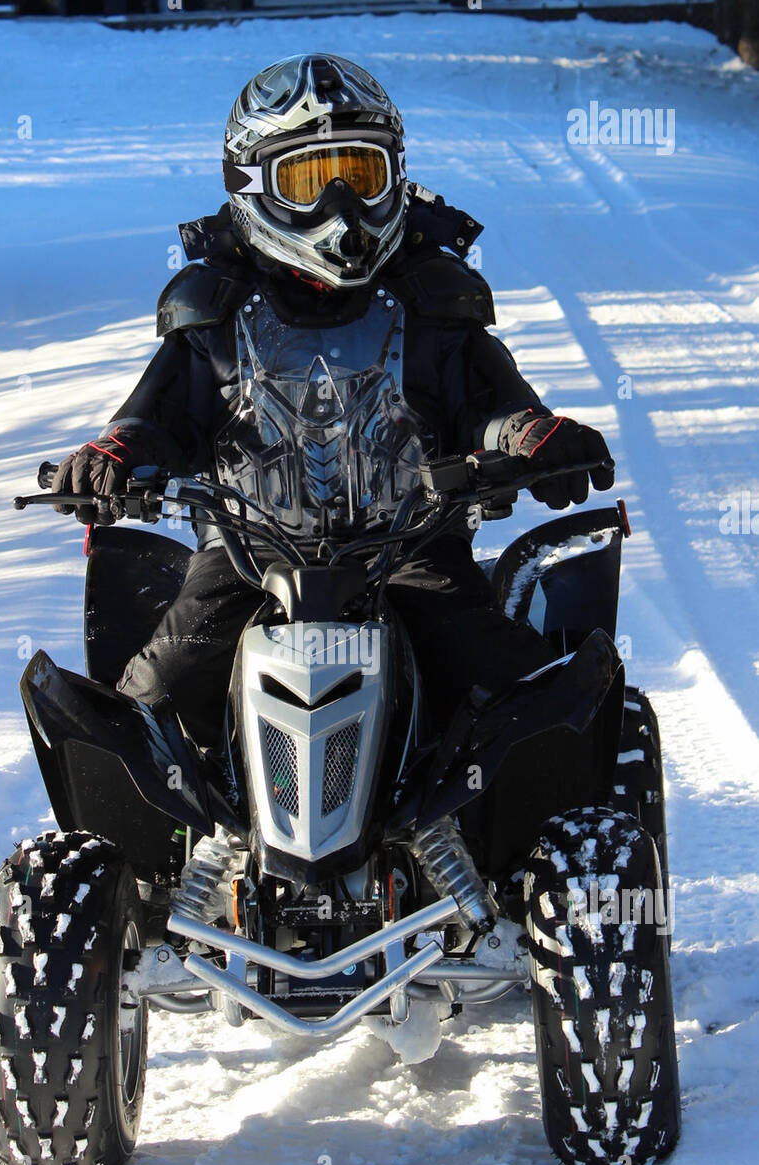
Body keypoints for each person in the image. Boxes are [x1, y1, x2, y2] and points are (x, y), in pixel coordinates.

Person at [52, 53, 614, 749]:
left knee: (526, 707)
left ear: (396, 175)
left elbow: (492, 404)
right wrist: (114, 453)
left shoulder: (432, 299)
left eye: (361, 175)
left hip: (412, 553)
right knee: (155, 703)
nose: (340, 207)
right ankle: (159, 851)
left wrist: (533, 437)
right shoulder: (214, 309)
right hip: (245, 558)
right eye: (310, 180)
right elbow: (155, 416)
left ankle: (525, 847)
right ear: (253, 186)